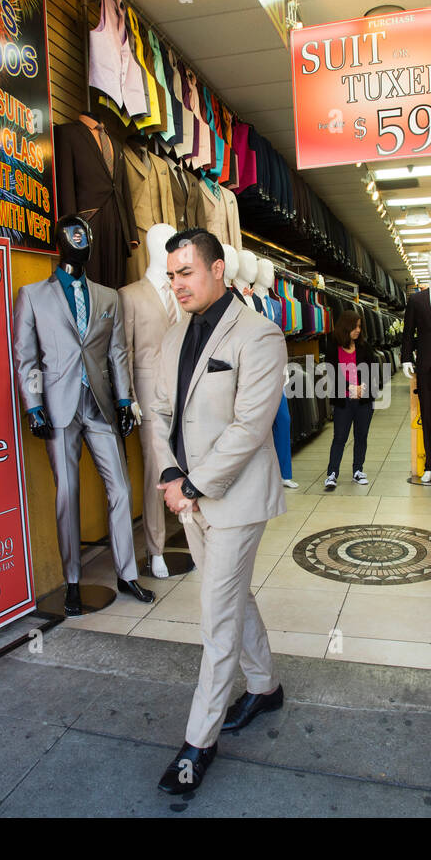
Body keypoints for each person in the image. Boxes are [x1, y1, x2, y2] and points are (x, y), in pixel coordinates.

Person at [147, 227, 288, 795]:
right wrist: (167, 475)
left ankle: (196, 744)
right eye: (171, 273)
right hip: (186, 495)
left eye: (186, 271)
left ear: (217, 270)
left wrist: (193, 485)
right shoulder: (174, 334)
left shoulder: (261, 334)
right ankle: (266, 687)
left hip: (234, 499)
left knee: (216, 616)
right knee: (232, 597)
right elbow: (157, 412)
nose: (177, 283)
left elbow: (250, 428)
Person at [322, 310, 380, 491]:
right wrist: (349, 387)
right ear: (345, 327)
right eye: (354, 326)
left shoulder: (364, 346)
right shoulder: (332, 346)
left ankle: (358, 470)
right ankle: (332, 473)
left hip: (363, 400)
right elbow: (331, 373)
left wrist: (363, 387)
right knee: (339, 437)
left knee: (361, 436)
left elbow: (374, 369)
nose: (357, 330)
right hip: (343, 400)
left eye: (360, 326)